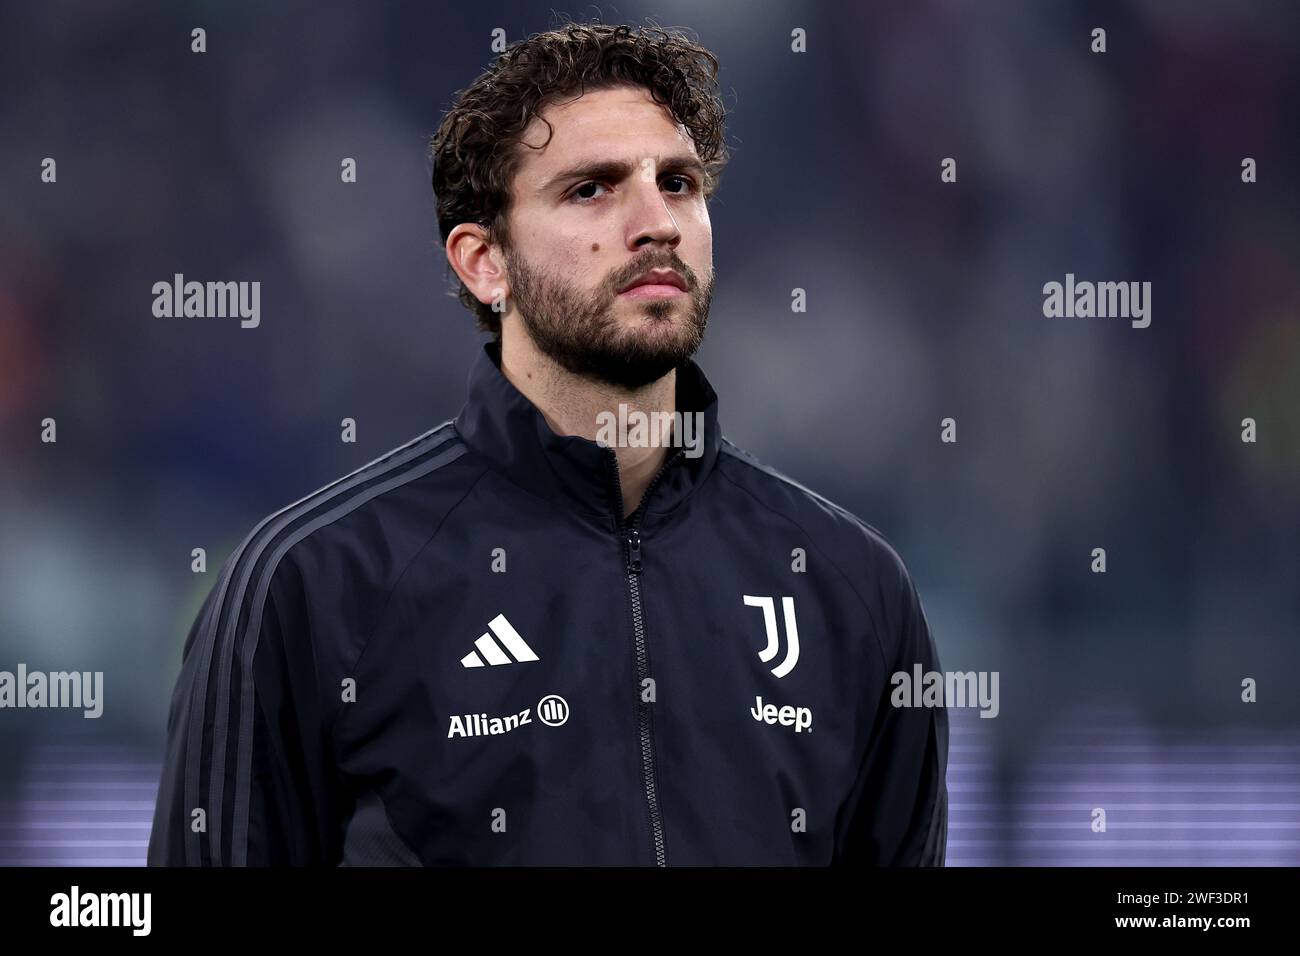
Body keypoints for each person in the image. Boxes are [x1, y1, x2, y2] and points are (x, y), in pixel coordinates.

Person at [148, 20, 947, 867]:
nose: (656, 223)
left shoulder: (850, 586)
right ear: (483, 263)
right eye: (591, 189)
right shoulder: (310, 585)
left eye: (677, 183)